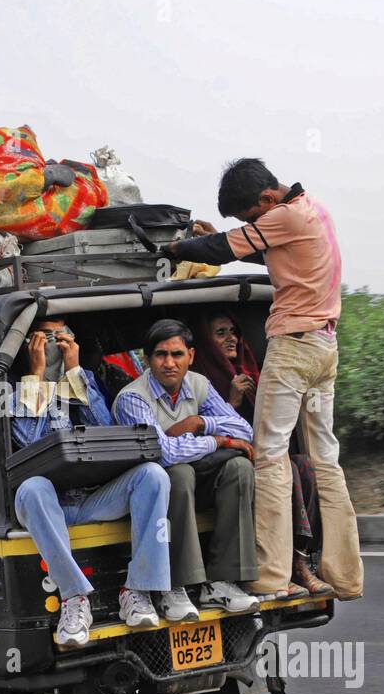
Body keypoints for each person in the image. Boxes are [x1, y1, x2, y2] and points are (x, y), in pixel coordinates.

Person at [164, 158, 363, 600]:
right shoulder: (312, 211)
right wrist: (216, 239)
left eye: (252, 218)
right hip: (324, 349)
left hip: (292, 349)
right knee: (325, 458)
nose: (257, 224)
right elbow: (254, 249)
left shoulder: (284, 215)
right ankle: (345, 574)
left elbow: (223, 252)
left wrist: (176, 251)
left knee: (270, 456)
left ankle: (270, 574)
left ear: (267, 200)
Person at [10, 318, 188, 647]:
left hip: (92, 498)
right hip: (49, 505)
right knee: (32, 488)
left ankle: (138, 590)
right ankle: (74, 598)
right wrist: (35, 375)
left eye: (62, 336)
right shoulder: (15, 390)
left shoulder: (82, 380)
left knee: (153, 475)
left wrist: (75, 373)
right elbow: (25, 439)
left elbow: (105, 428)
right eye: (46, 336)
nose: (54, 343)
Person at [112, 318, 260, 614]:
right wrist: (218, 442)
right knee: (177, 473)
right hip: (149, 494)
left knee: (239, 469)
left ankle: (222, 582)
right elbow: (163, 453)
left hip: (196, 482)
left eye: (177, 354)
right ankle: (175, 586)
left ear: (190, 356)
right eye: (161, 355)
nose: (169, 363)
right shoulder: (132, 398)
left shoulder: (198, 384)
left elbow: (244, 429)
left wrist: (199, 423)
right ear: (147, 359)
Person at [193, 310, 331, 595]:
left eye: (234, 332)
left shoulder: (254, 372)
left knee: (303, 465)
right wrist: (231, 400)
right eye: (221, 333)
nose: (230, 338)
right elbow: (197, 433)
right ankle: (287, 570)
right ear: (207, 343)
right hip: (221, 465)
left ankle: (300, 559)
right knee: (286, 470)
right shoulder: (200, 380)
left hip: (261, 458)